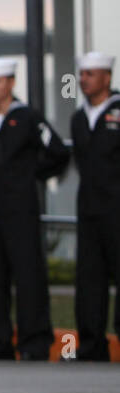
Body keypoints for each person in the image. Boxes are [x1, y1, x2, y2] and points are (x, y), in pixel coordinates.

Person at [0, 57, 70, 360]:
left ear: (11, 83)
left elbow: (58, 152)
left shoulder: (28, 117)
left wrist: (31, 175)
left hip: (22, 209)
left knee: (28, 274)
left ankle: (34, 341)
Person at [69, 51, 120, 362]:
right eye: (82, 74)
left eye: (90, 74)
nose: (83, 79)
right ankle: (91, 344)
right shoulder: (79, 118)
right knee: (89, 278)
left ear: (107, 78)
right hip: (88, 210)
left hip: (117, 208)